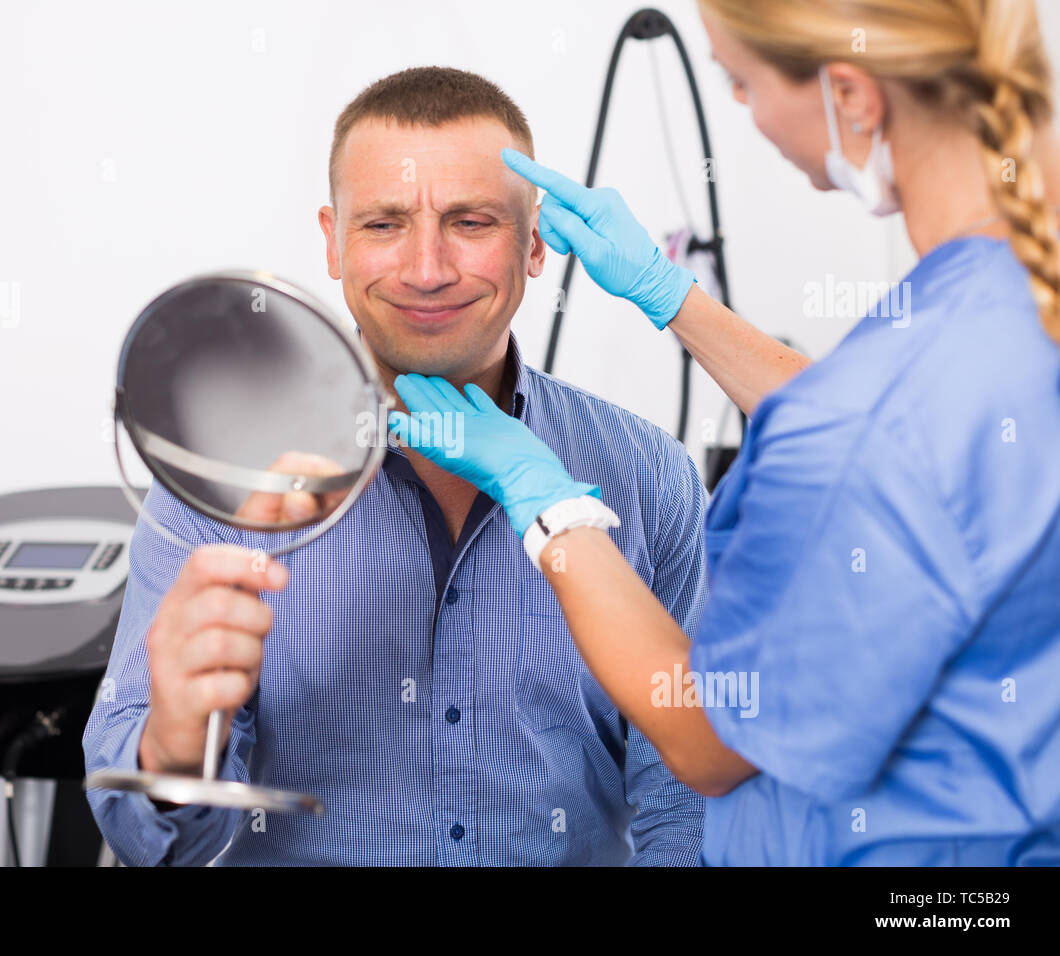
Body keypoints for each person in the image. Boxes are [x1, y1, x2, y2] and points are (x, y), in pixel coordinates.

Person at [390, 0, 1060, 865]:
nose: (427, 266)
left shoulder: (719, 458)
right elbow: (896, 433)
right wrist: (675, 299)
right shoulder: (1009, 307)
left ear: (852, 95)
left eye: (740, 81)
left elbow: (706, 742)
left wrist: (548, 507)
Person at [83, 66, 711, 865]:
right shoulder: (218, 478)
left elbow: (686, 799)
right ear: (332, 240)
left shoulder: (649, 474)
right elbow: (154, 841)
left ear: (535, 243)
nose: (426, 269)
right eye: (383, 224)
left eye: (471, 221)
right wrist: (175, 744)